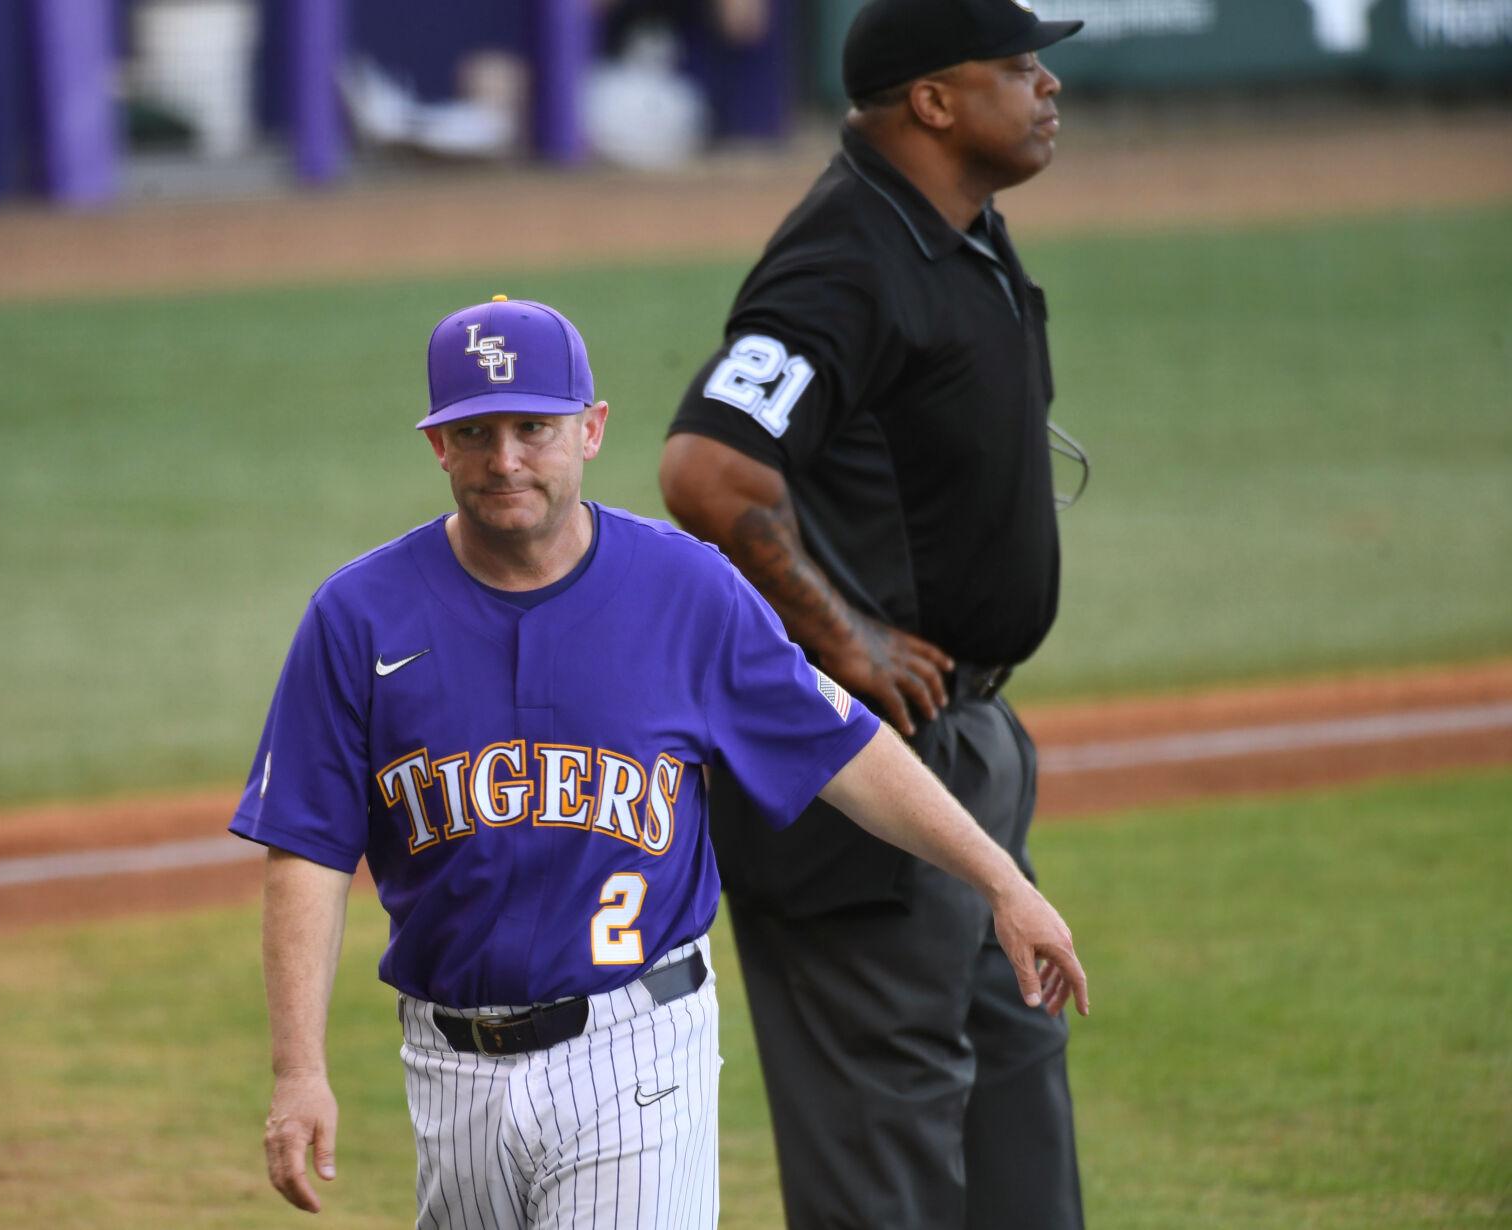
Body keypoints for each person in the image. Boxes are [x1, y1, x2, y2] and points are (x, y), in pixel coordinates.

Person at [231, 294, 1087, 1228]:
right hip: (448, 1071)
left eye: (534, 428)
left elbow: (844, 749)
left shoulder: (686, 591)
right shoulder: (358, 617)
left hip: (634, 1055)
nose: (505, 459)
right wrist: (298, 1071)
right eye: (474, 432)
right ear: (438, 444)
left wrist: (1003, 882)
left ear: (591, 429)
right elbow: (308, 849)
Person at [658, 1, 1090, 1225]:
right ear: (933, 102)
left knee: (1014, 1093)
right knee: (882, 1137)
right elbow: (707, 468)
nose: (1046, 86)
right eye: (1016, 66)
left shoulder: (958, 232)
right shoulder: (843, 259)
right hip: (860, 768)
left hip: (966, 744)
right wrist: (840, 639)